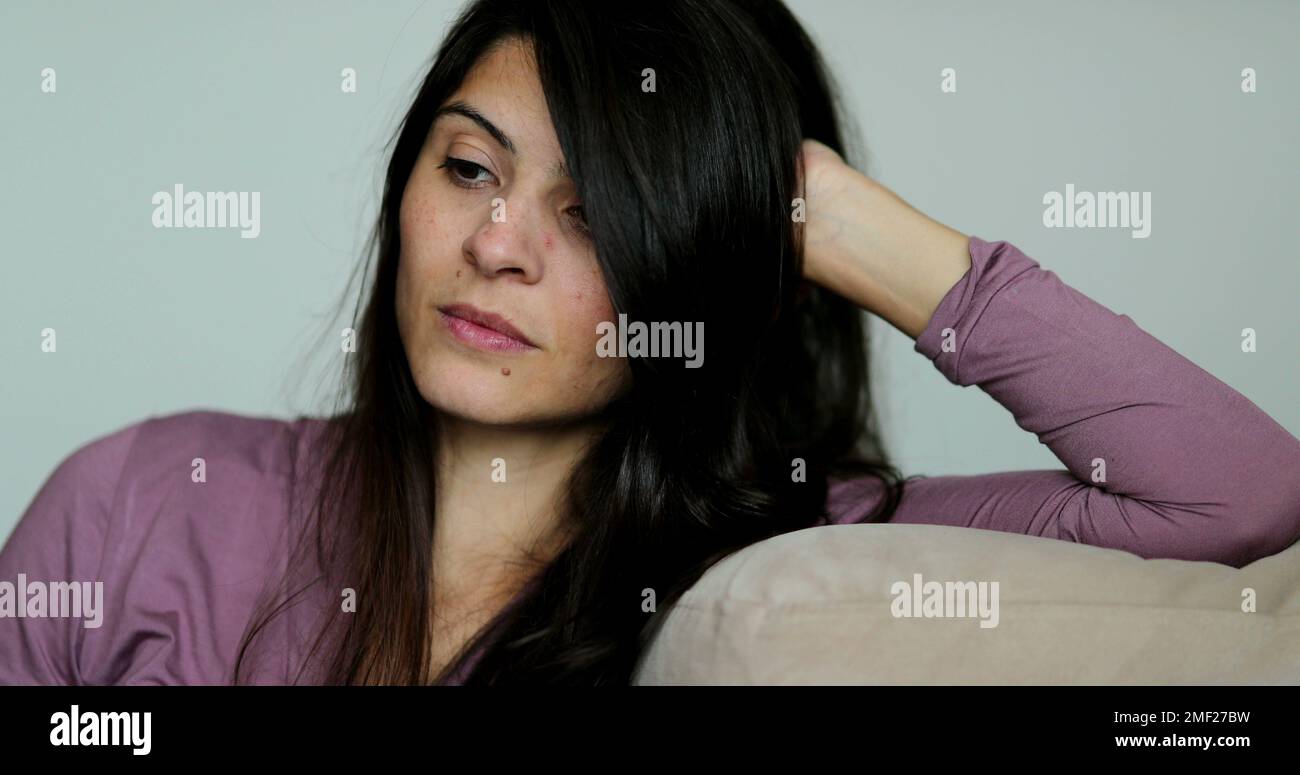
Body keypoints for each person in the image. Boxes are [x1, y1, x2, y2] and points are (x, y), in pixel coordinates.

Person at [2, 0, 1298, 686]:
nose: (498, 241)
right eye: (469, 166)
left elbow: (1235, 495)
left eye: (600, 217)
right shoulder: (134, 505)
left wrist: (833, 220)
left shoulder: (806, 558)